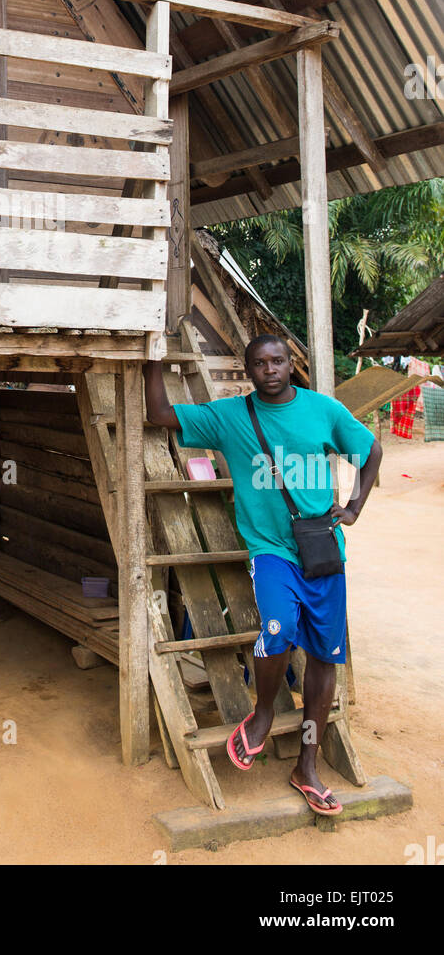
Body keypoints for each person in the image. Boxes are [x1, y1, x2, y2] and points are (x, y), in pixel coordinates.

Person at [144, 334, 382, 815]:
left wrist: (354, 507)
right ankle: (264, 710)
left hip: (322, 553)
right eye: (259, 363)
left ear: (289, 365)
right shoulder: (231, 416)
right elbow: (162, 416)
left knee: (323, 658)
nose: (270, 369)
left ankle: (307, 765)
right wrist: (153, 360)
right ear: (247, 369)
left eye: (277, 361)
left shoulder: (323, 410)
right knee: (276, 629)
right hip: (271, 552)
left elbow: (371, 451)